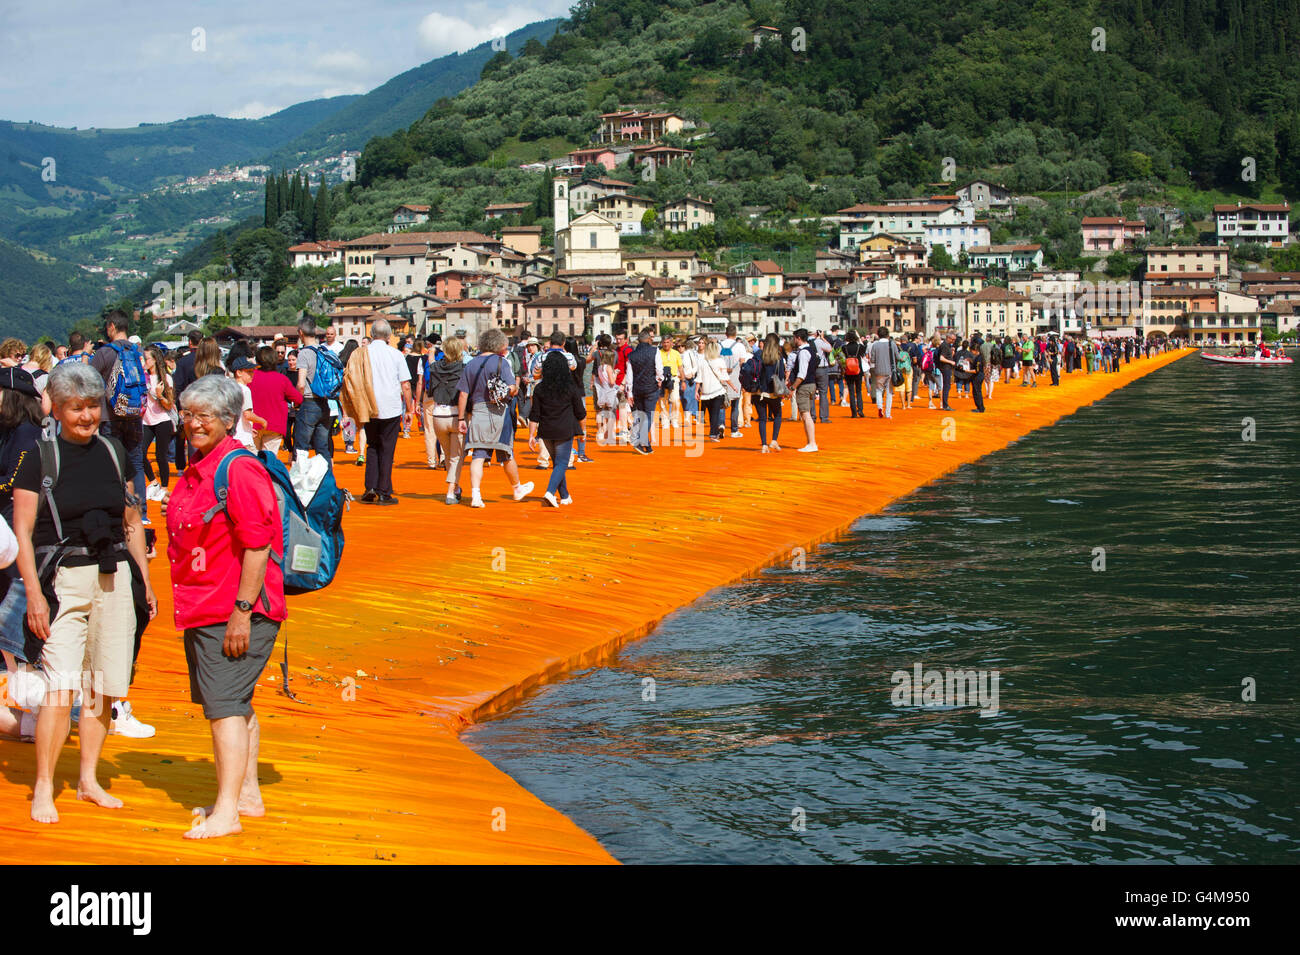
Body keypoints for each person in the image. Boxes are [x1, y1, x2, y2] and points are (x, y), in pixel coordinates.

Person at [13, 363, 157, 823]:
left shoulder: (114, 451)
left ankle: (88, 780)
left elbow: (132, 520)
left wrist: (146, 581)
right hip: (62, 582)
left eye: (93, 406)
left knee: (104, 685)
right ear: (54, 406)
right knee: (60, 687)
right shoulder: (38, 456)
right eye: (77, 407)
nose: (87, 416)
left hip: (114, 577)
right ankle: (43, 786)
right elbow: (22, 532)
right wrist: (33, 595)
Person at [167, 374, 285, 839]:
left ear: (230, 420)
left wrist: (242, 610)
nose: (193, 424)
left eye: (205, 416)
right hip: (203, 604)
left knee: (223, 708)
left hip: (233, 609)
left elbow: (257, 546)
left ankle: (227, 812)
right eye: (188, 414)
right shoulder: (201, 464)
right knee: (235, 702)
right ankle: (246, 795)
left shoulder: (237, 468)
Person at [0, 368, 44, 742]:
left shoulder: (26, 437)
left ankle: (22, 711)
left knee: (12, 619)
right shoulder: (13, 434)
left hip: (13, 535)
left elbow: (11, 484)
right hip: (9, 534)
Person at [457, 328, 533, 508]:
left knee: (478, 454)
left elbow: (463, 394)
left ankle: (476, 495)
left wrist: (461, 419)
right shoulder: (501, 363)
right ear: (499, 344)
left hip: (478, 412)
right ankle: (516, 489)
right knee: (506, 453)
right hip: (499, 413)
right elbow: (511, 388)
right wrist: (513, 390)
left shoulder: (471, 364)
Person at [89, 311, 149, 525]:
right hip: (134, 415)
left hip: (110, 416)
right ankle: (141, 513)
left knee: (111, 463)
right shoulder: (137, 352)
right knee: (136, 463)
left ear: (111, 327)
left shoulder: (104, 353)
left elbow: (89, 383)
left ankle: (115, 510)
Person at [349, 319, 410, 505]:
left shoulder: (362, 354)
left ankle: (370, 487)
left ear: (372, 334)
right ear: (389, 336)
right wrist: (409, 409)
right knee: (387, 449)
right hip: (390, 407)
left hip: (368, 406)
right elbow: (405, 385)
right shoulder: (396, 355)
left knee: (373, 446)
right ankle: (384, 491)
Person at [528, 351, 587, 507]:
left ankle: (565, 495)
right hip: (564, 429)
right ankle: (549, 492)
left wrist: (531, 435)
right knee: (561, 464)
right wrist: (583, 432)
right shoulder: (570, 388)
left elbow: (534, 414)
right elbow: (580, 412)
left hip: (546, 431)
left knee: (557, 464)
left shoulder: (539, 388)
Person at [425, 336, 466, 506]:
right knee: (456, 457)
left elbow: (431, 361)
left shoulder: (435, 367)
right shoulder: (464, 369)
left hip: (438, 415)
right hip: (456, 415)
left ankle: (455, 488)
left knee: (448, 455)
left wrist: (432, 351)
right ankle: (450, 491)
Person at [294, 318, 335, 461]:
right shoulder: (324, 350)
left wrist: (297, 402)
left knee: (301, 448)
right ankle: (327, 481)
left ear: (300, 332)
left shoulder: (304, 353)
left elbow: (300, 384)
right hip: (324, 403)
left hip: (309, 402)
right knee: (322, 448)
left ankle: (300, 482)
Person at [249, 346, 303, 455]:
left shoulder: (250, 377)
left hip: (253, 424)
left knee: (253, 460)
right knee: (269, 461)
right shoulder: (282, 379)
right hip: (274, 425)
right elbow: (298, 398)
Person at [141, 345, 175, 509]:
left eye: (147, 358)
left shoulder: (166, 379)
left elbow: (169, 405)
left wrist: (159, 395)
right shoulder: (143, 377)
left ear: (154, 360)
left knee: (161, 455)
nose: (144, 361)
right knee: (140, 452)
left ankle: (164, 487)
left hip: (162, 420)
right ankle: (153, 482)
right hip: (146, 421)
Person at [626, 329, 659, 455]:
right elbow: (659, 369)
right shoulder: (654, 351)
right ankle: (641, 440)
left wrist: (629, 393)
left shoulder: (631, 355)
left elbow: (629, 376)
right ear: (648, 339)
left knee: (641, 415)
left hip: (637, 389)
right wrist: (659, 380)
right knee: (649, 416)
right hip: (651, 387)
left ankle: (647, 444)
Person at [754, 333, 786, 452]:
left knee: (762, 419)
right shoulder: (778, 357)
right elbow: (781, 375)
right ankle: (774, 440)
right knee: (777, 415)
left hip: (759, 392)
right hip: (773, 391)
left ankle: (764, 445)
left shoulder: (758, 355)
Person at [789, 329, 819, 452]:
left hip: (805, 385)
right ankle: (810, 443)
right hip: (811, 384)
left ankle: (812, 443)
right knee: (806, 414)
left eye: (794, 338)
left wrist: (792, 387)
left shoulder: (803, 353)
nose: (794, 341)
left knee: (806, 415)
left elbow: (801, 374)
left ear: (798, 338)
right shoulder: (811, 350)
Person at [869, 326, 896, 419]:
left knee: (879, 390)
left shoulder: (875, 345)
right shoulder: (892, 344)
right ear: (888, 335)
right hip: (890, 371)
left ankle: (880, 407)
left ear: (878, 335)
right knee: (889, 392)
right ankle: (888, 413)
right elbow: (897, 356)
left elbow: (872, 360)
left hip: (879, 370)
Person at [840, 330, 867, 418]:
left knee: (851, 391)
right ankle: (860, 409)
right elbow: (864, 348)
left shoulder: (844, 347)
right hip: (858, 370)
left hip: (848, 370)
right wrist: (859, 338)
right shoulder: (859, 346)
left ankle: (854, 412)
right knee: (858, 391)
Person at [937, 332, 957, 410]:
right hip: (945, 368)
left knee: (947, 386)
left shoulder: (947, 346)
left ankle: (945, 404)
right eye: (952, 339)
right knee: (946, 386)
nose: (953, 341)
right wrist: (951, 362)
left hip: (947, 368)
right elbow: (941, 358)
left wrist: (952, 353)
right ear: (948, 338)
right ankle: (945, 405)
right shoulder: (945, 346)